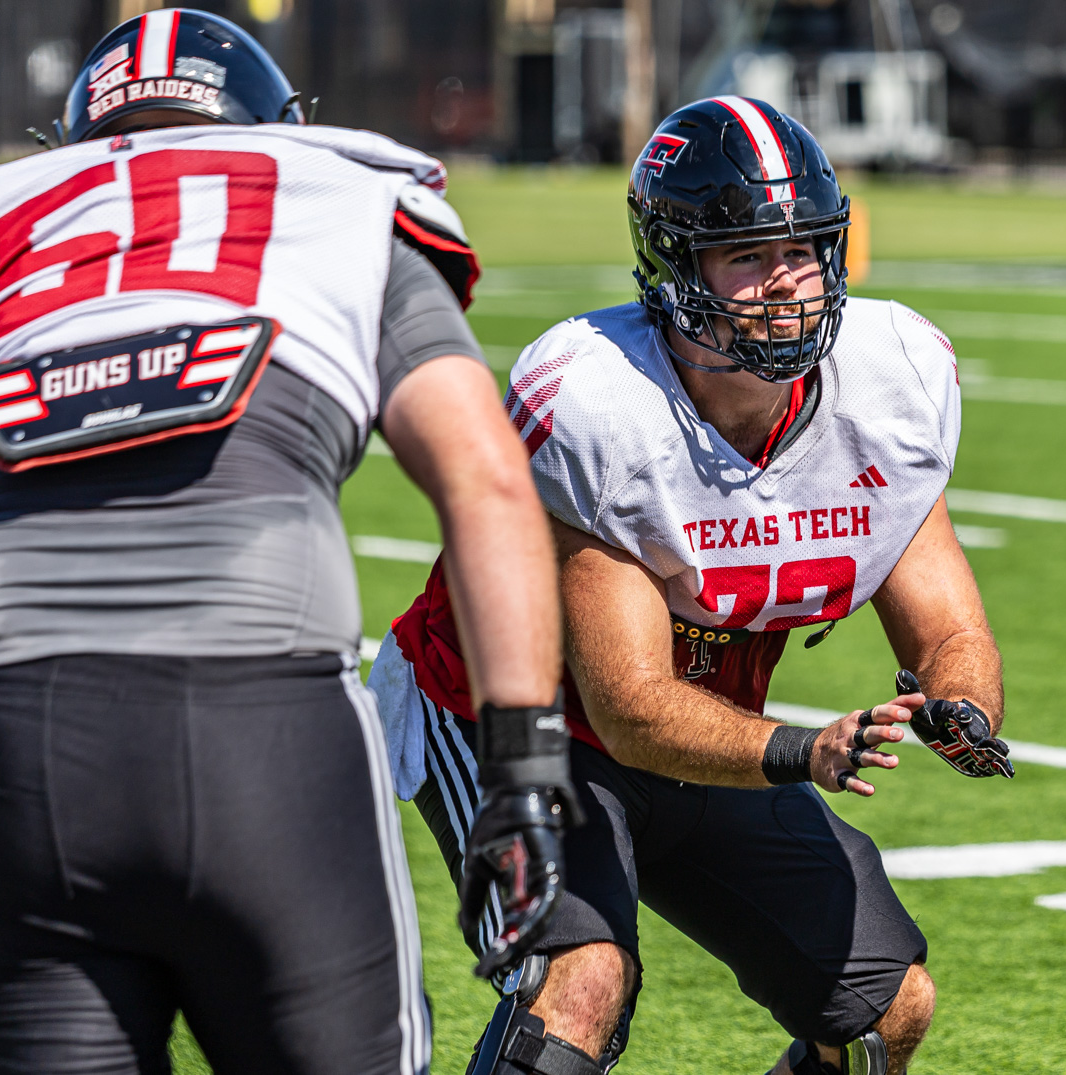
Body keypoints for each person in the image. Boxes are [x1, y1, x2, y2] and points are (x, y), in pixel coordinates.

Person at [0, 10, 573, 1072]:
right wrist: (525, 770)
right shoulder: (333, 195)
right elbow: (485, 477)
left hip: (15, 744)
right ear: (277, 125)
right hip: (260, 719)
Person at [369, 96, 1011, 1075]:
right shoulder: (600, 403)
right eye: (746, 255)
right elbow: (627, 708)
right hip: (523, 718)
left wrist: (960, 705)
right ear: (675, 269)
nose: (784, 281)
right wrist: (801, 748)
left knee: (884, 1010)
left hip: (704, 731)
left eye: (801, 249)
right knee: (579, 982)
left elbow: (949, 632)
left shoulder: (892, 387)